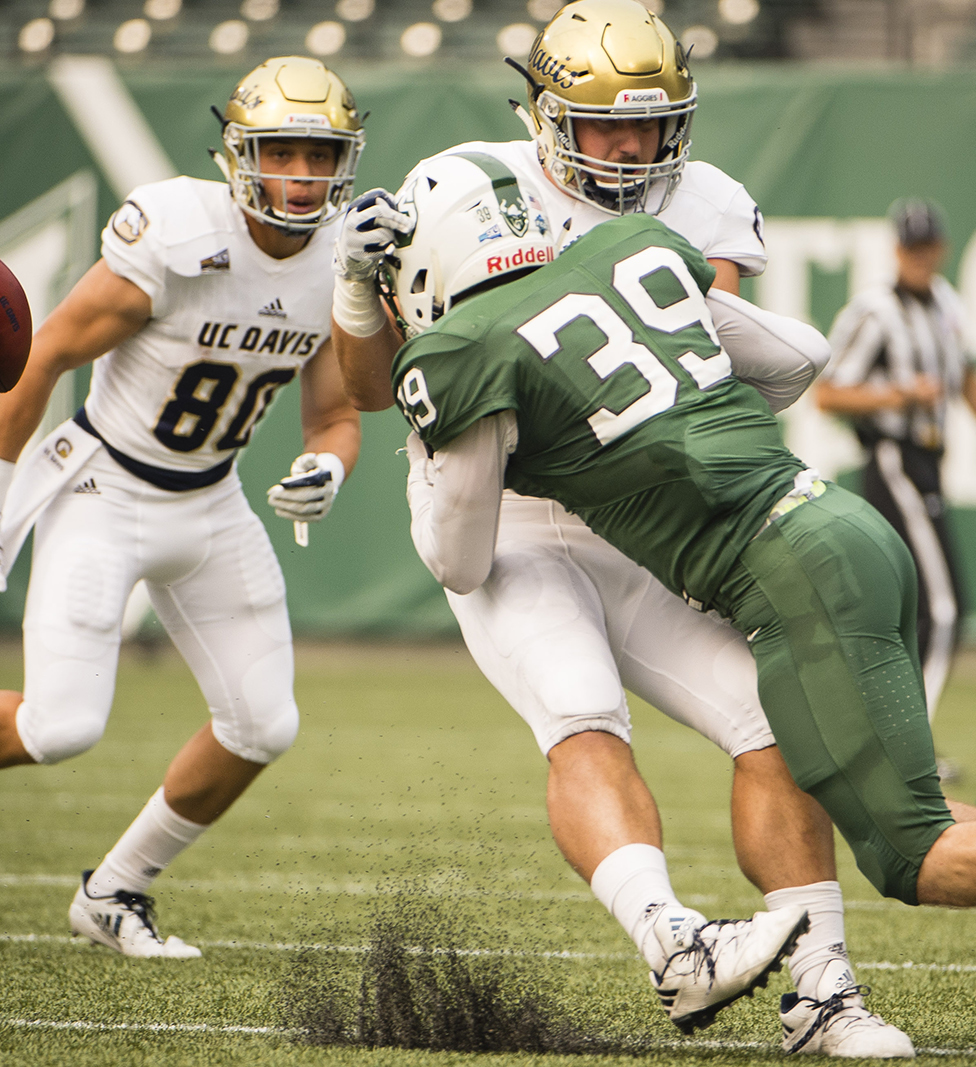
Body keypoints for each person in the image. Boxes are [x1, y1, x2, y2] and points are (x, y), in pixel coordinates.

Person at [381, 159, 976, 1053]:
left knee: (915, 855)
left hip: (786, 573)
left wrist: (479, 460)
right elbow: (799, 358)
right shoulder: (632, 246)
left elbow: (460, 559)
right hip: (837, 523)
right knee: (888, 797)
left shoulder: (464, 350)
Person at [330, 3, 897, 1052]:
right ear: (544, 113)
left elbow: (704, 368)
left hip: (634, 508)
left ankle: (824, 991)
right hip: (505, 516)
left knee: (776, 723)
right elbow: (372, 391)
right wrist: (358, 291)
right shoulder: (457, 191)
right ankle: (672, 940)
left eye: (650, 124)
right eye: (604, 125)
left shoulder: (702, 202)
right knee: (583, 715)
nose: (632, 147)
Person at [0, 57, 363, 958]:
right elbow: (45, 353)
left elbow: (334, 414)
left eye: (321, 155)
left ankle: (116, 891)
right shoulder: (181, 231)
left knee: (265, 723)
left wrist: (325, 470)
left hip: (213, 501)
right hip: (104, 488)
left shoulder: (340, 262)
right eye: (282, 152)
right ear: (240, 154)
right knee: (60, 726)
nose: (301, 176)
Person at [816, 198, 976, 725]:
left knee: (912, 610)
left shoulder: (946, 304)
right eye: (910, 248)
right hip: (893, 460)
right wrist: (899, 395)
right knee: (942, 610)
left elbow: (966, 382)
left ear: (940, 248)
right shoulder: (875, 311)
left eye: (927, 247)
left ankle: (890, 732)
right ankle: (910, 740)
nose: (919, 257)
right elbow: (827, 395)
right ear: (896, 249)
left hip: (928, 465)